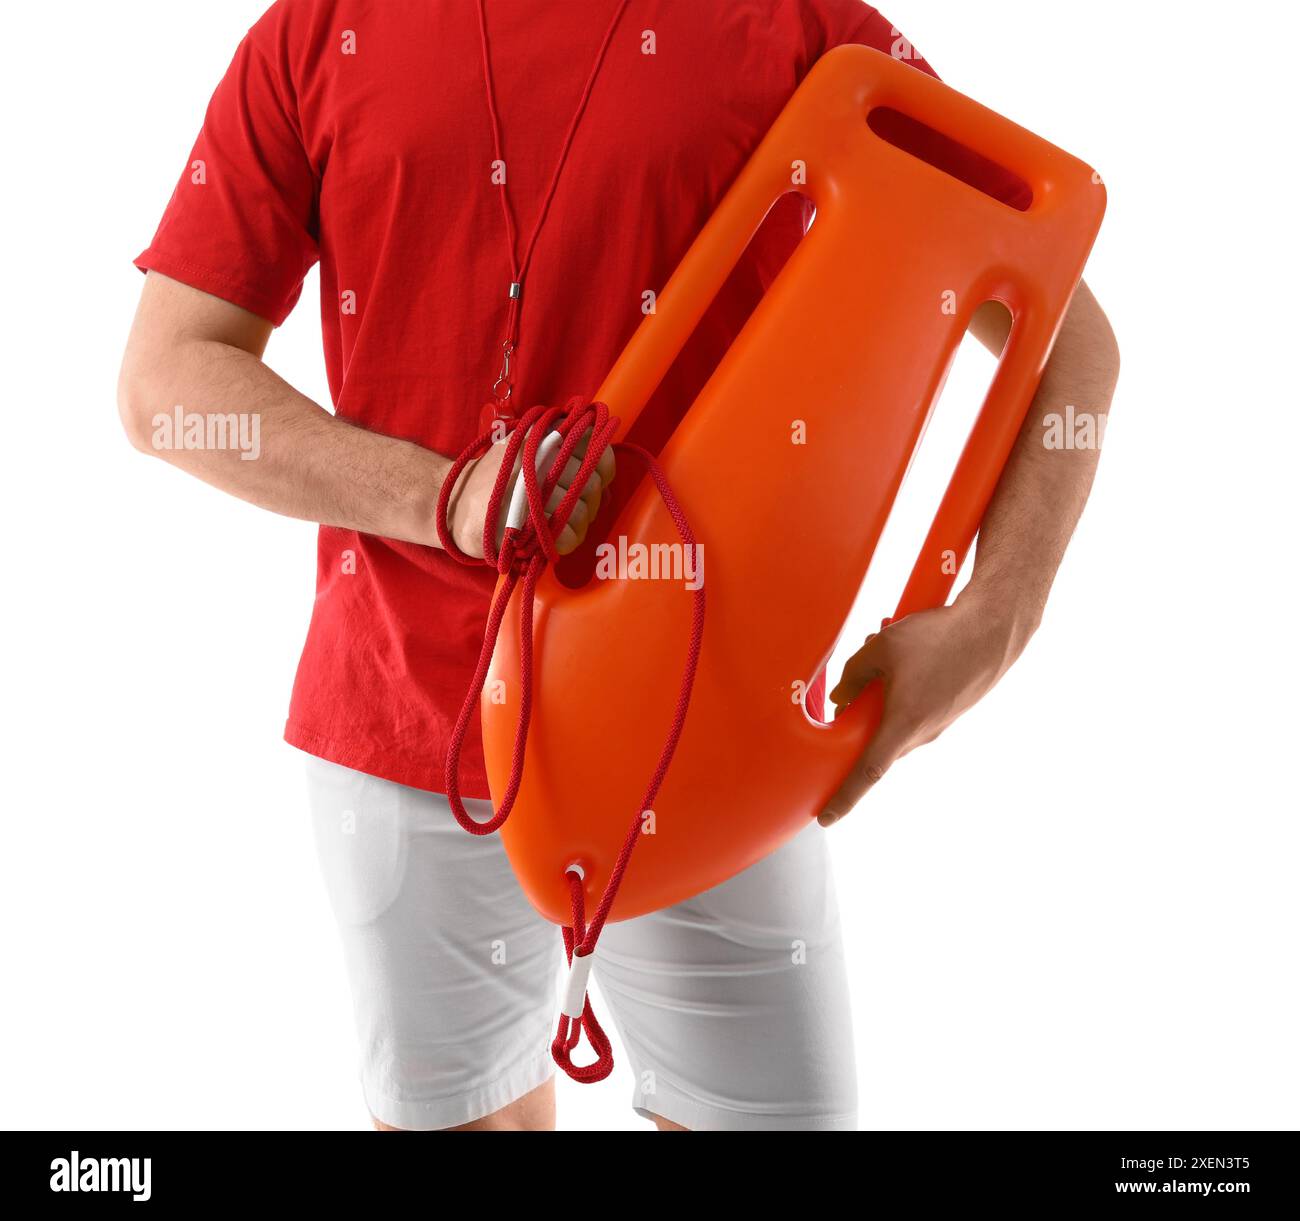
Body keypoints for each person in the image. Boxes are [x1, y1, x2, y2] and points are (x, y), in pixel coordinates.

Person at [119, 0, 1119, 1132]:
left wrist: (996, 620)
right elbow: (168, 381)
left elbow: (1065, 334)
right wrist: (444, 497)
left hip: (704, 739)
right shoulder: (318, 31)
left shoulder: (795, 25)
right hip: (404, 734)